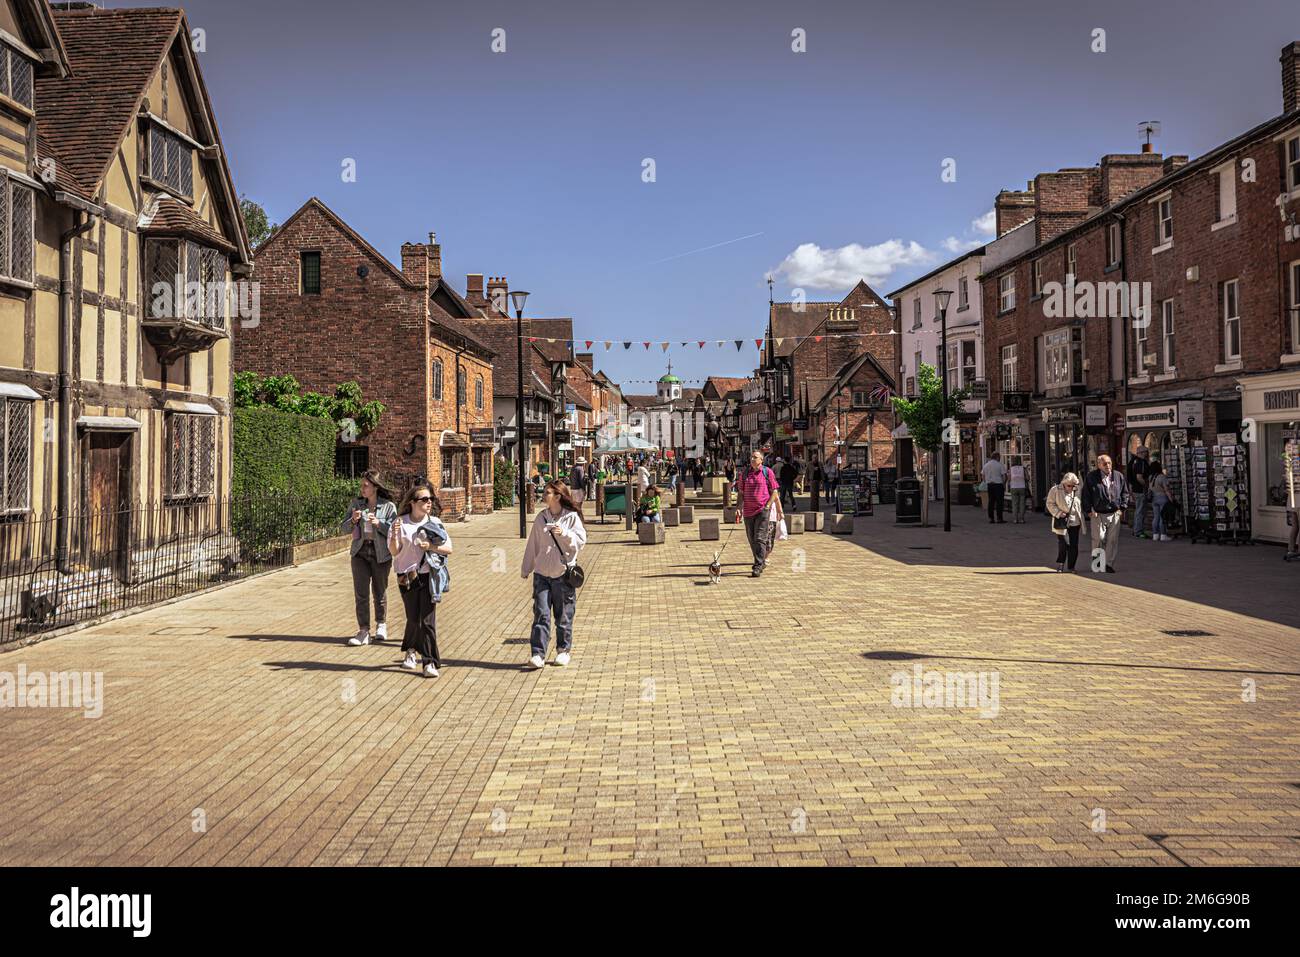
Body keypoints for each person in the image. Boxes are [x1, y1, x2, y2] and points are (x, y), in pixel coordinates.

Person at [520, 479, 587, 668]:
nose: (544, 494)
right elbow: (533, 544)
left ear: (557, 496)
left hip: (563, 574)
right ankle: (538, 654)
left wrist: (564, 533)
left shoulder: (571, 518)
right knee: (541, 614)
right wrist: (527, 568)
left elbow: (580, 542)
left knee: (563, 615)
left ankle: (563, 650)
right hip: (542, 574)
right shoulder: (541, 517)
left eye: (548, 492)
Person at [388, 481, 452, 677]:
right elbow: (394, 551)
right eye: (424, 499)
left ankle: (429, 662)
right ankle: (410, 651)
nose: (429, 502)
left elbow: (449, 548)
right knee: (413, 618)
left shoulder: (435, 523)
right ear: (413, 503)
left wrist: (429, 547)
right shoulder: (400, 522)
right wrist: (395, 536)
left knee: (427, 620)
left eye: (430, 499)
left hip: (428, 576)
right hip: (406, 576)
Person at [341, 469, 397, 646]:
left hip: (380, 553)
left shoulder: (388, 506)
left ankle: (381, 624)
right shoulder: (357, 504)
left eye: (365, 485)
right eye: (361, 485)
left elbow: (395, 531)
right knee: (361, 593)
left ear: (375, 487)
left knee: (380, 591)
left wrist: (378, 523)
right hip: (360, 552)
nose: (362, 489)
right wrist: (353, 520)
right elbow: (343, 528)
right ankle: (363, 630)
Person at [737, 450, 781, 578]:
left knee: (760, 538)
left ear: (761, 460)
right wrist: (739, 507)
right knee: (751, 539)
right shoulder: (745, 473)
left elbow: (774, 491)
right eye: (751, 457)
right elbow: (741, 492)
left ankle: (757, 566)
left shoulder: (767, 472)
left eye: (755, 457)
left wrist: (767, 506)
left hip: (762, 510)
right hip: (748, 511)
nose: (752, 459)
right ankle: (759, 561)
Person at [1082, 454, 1128, 573]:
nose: (1108, 466)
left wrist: (1122, 508)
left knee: (1112, 540)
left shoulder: (1118, 476)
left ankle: (1108, 564)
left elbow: (1125, 493)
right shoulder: (1091, 477)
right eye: (1105, 464)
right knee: (1098, 539)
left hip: (1114, 513)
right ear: (1099, 465)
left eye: (1109, 463)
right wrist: (1088, 510)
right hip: (1097, 513)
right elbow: (1086, 495)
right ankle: (1097, 565)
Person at [1046, 472, 1084, 572]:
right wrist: (1058, 513)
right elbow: (1050, 504)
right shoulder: (1055, 490)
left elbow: (1081, 502)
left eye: (1073, 486)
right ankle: (1061, 564)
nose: (1071, 488)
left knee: (1073, 544)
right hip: (1061, 520)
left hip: (1075, 520)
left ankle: (1072, 566)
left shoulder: (1077, 490)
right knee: (1063, 543)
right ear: (1064, 483)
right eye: (1069, 485)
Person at [1127, 446, 1151, 539]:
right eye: (1146, 452)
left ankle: (1136, 530)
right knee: (1140, 510)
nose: (1147, 454)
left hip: (1134, 489)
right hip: (1140, 489)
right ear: (1143, 452)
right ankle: (1138, 531)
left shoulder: (1132, 461)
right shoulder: (1140, 462)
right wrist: (1146, 486)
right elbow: (1139, 477)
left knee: (1138, 509)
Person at [1149, 462, 1172, 541]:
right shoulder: (1162, 477)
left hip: (1154, 498)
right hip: (1162, 497)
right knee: (1163, 517)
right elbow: (1166, 489)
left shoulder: (1150, 477)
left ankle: (1155, 534)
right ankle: (1163, 535)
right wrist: (1171, 499)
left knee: (1156, 517)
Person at [982, 452, 1007, 523]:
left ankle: (991, 518)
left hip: (990, 485)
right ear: (997, 457)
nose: (1000, 459)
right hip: (998, 484)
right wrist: (1004, 484)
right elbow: (1004, 476)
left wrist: (986, 481)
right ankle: (999, 518)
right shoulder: (999, 465)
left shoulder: (986, 465)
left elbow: (983, 475)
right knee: (999, 502)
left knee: (991, 501)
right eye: (999, 457)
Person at [1008, 457, 1030, 524]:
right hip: (1022, 487)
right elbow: (1028, 478)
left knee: (1015, 504)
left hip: (1013, 487)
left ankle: (1015, 519)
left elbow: (1009, 479)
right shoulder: (1023, 469)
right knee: (1022, 503)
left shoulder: (1011, 469)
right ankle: (1022, 519)